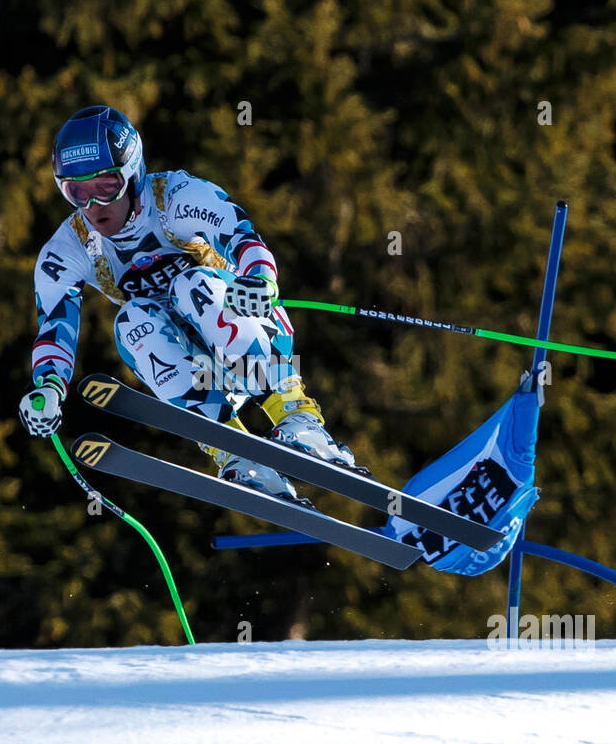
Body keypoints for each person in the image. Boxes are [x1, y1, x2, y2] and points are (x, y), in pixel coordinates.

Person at [18, 105, 360, 503]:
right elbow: (56, 325)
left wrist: (261, 280)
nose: (94, 206)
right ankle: (236, 452)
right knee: (131, 323)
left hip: (252, 337)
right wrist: (48, 387)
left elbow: (242, 235)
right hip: (199, 370)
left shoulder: (174, 198)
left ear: (132, 173)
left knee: (191, 284)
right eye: (76, 192)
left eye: (106, 186)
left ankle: (298, 418)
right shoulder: (69, 247)